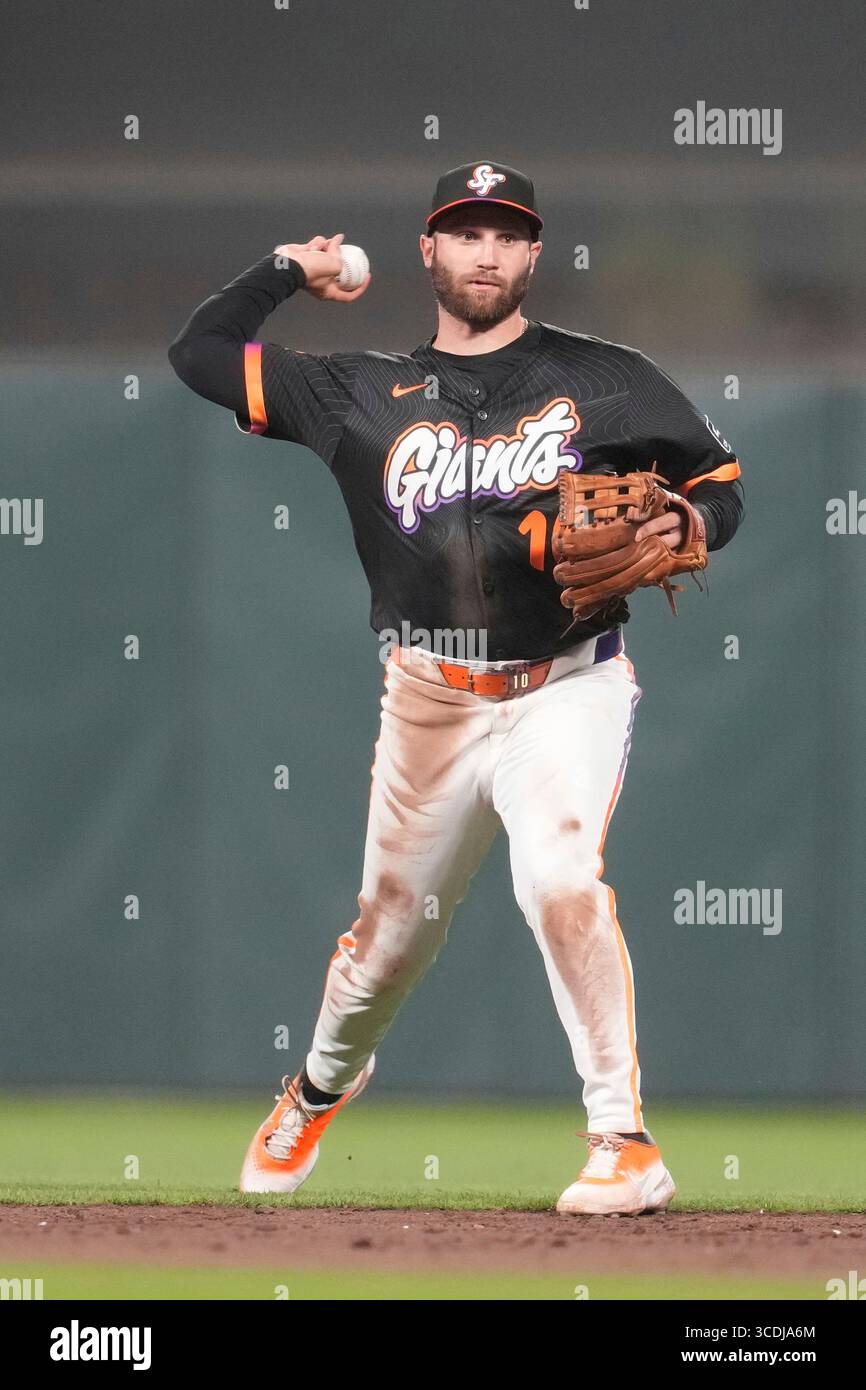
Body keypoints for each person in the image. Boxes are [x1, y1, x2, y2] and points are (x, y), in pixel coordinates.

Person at [168, 160, 744, 1215]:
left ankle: (621, 1138)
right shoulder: (352, 390)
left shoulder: (610, 379)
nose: (485, 250)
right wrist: (288, 267)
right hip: (428, 699)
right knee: (388, 943)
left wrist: (692, 523)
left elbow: (715, 476)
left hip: (566, 684)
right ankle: (315, 1090)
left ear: (532, 253)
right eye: (463, 231)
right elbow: (199, 353)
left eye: (505, 233)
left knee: (560, 879)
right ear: (428, 250)